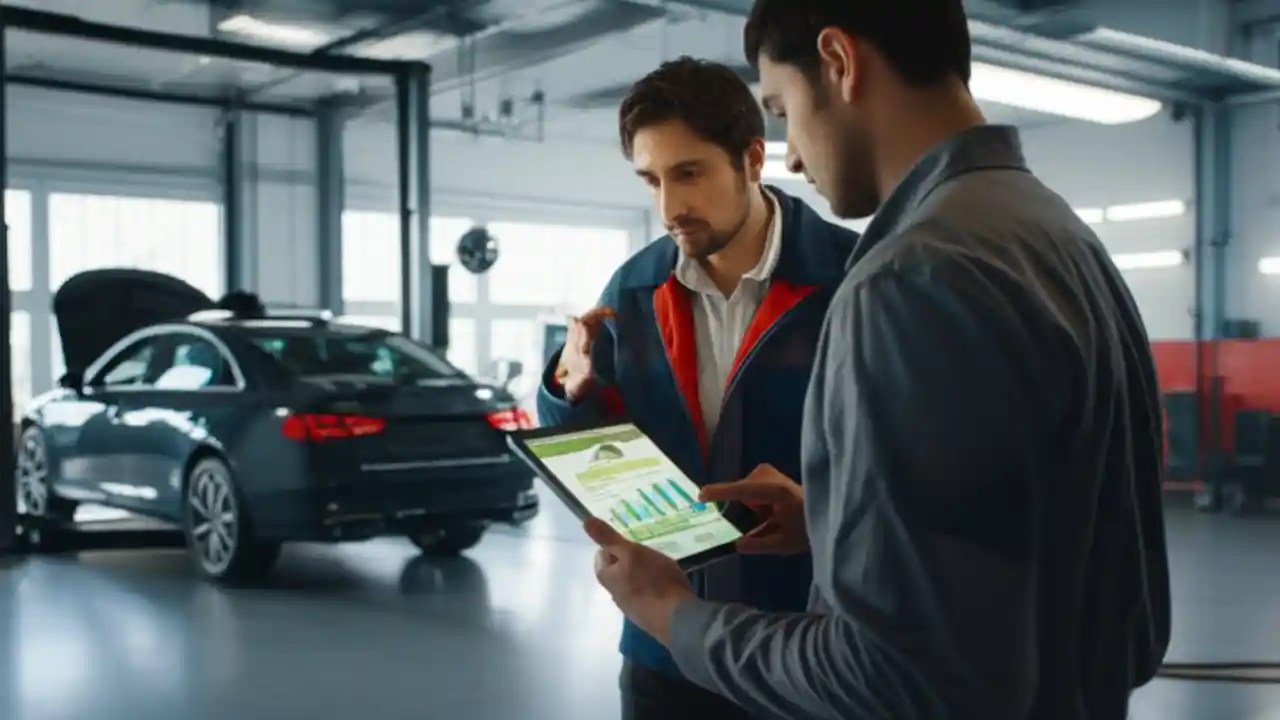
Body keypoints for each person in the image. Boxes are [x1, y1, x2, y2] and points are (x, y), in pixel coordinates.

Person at [582, 1, 1173, 718]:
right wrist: (834, 523)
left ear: (839, 62)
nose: (794, 153)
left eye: (782, 107)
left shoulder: (906, 277)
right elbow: (1120, 615)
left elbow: (889, 678)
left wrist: (674, 615)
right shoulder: (1055, 234)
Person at [536, 57, 859, 719]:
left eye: (689, 173)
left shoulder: (852, 278)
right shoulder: (631, 289)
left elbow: (903, 466)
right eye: (650, 179)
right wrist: (569, 394)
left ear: (751, 158)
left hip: (810, 645)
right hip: (663, 645)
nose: (668, 207)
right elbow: (602, 459)